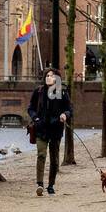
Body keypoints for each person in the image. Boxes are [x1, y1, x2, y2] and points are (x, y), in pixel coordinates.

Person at [27, 66, 72, 196]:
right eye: (47, 75)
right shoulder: (38, 92)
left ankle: (51, 185)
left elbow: (69, 109)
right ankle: (39, 184)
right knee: (41, 155)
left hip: (56, 129)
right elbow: (30, 108)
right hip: (41, 128)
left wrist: (65, 115)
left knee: (54, 159)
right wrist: (35, 118)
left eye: (52, 76)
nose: (49, 77)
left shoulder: (62, 92)